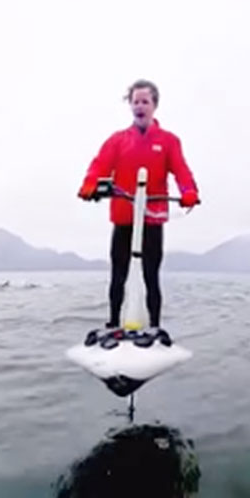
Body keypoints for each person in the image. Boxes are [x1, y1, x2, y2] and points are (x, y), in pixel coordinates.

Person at [78, 79, 200, 331]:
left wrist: (189, 192)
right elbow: (99, 165)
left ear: (154, 105)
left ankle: (155, 326)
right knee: (118, 275)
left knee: (151, 276)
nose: (140, 106)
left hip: (152, 218)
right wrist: (89, 185)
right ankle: (113, 324)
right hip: (124, 218)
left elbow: (181, 171)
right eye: (135, 101)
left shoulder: (168, 141)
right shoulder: (118, 140)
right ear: (130, 105)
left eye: (145, 101)